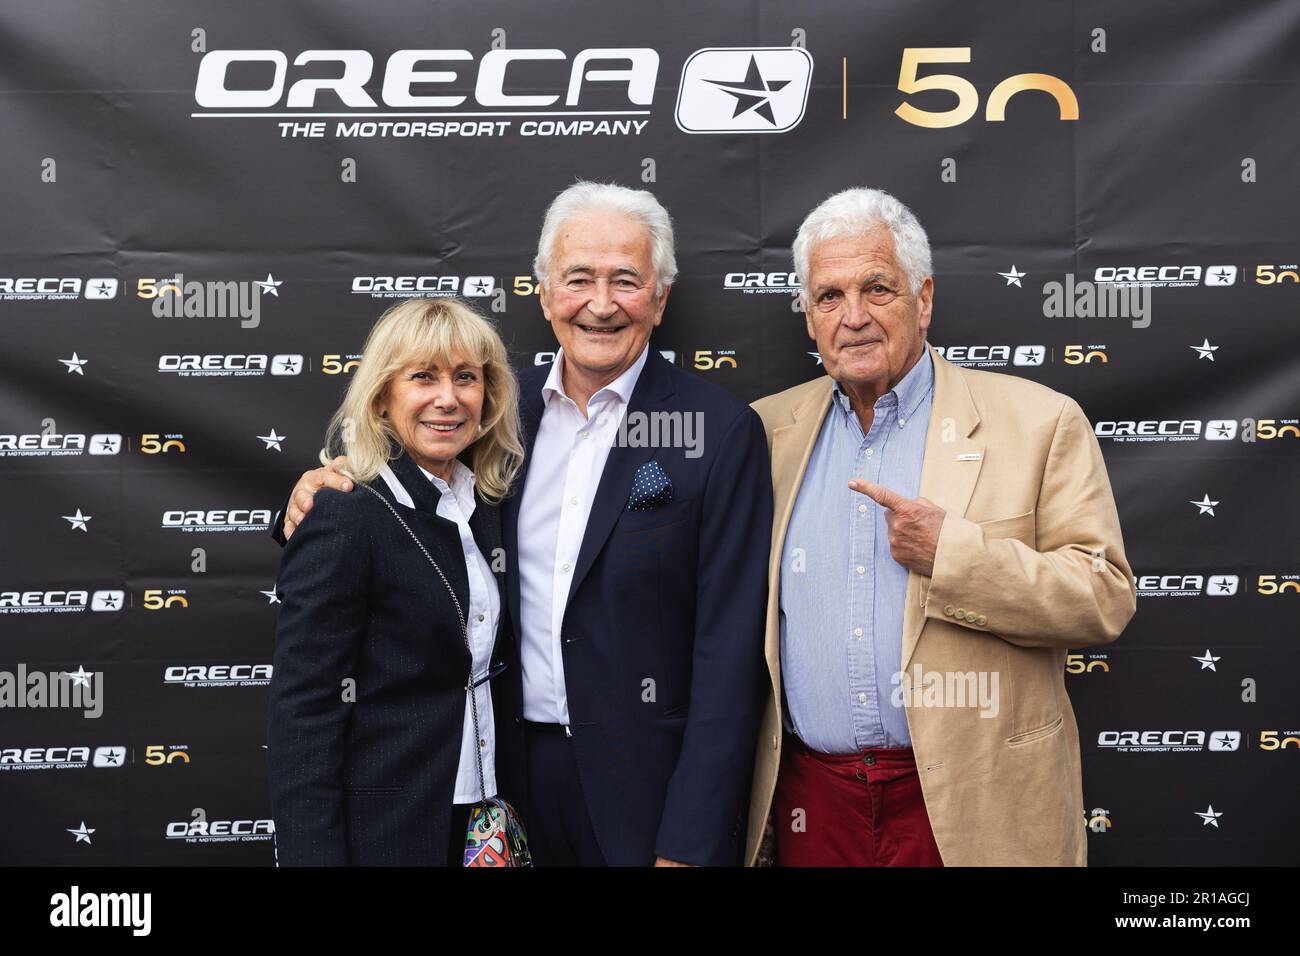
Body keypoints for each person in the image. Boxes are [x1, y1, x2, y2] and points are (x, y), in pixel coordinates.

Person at [275, 182, 772, 867]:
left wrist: (690, 838)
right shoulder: (498, 418)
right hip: (503, 787)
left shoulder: (718, 432)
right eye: (578, 279)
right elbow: (398, 502)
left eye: (625, 280)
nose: (601, 304)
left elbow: (730, 657)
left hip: (646, 799)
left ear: (659, 300)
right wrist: (308, 496)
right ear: (544, 294)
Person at [745, 187, 1137, 866]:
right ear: (808, 317)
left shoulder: (1040, 422)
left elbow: (1103, 597)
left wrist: (955, 554)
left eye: (878, 289)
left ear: (923, 299)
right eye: (829, 297)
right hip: (815, 802)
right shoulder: (762, 432)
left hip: (974, 800)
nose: (854, 317)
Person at [267, 297, 524, 866]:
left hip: (483, 822)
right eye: (422, 377)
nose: (447, 398)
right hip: (386, 831)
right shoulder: (347, 510)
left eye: (465, 378)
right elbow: (303, 713)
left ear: (488, 396)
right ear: (382, 397)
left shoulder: (489, 503)